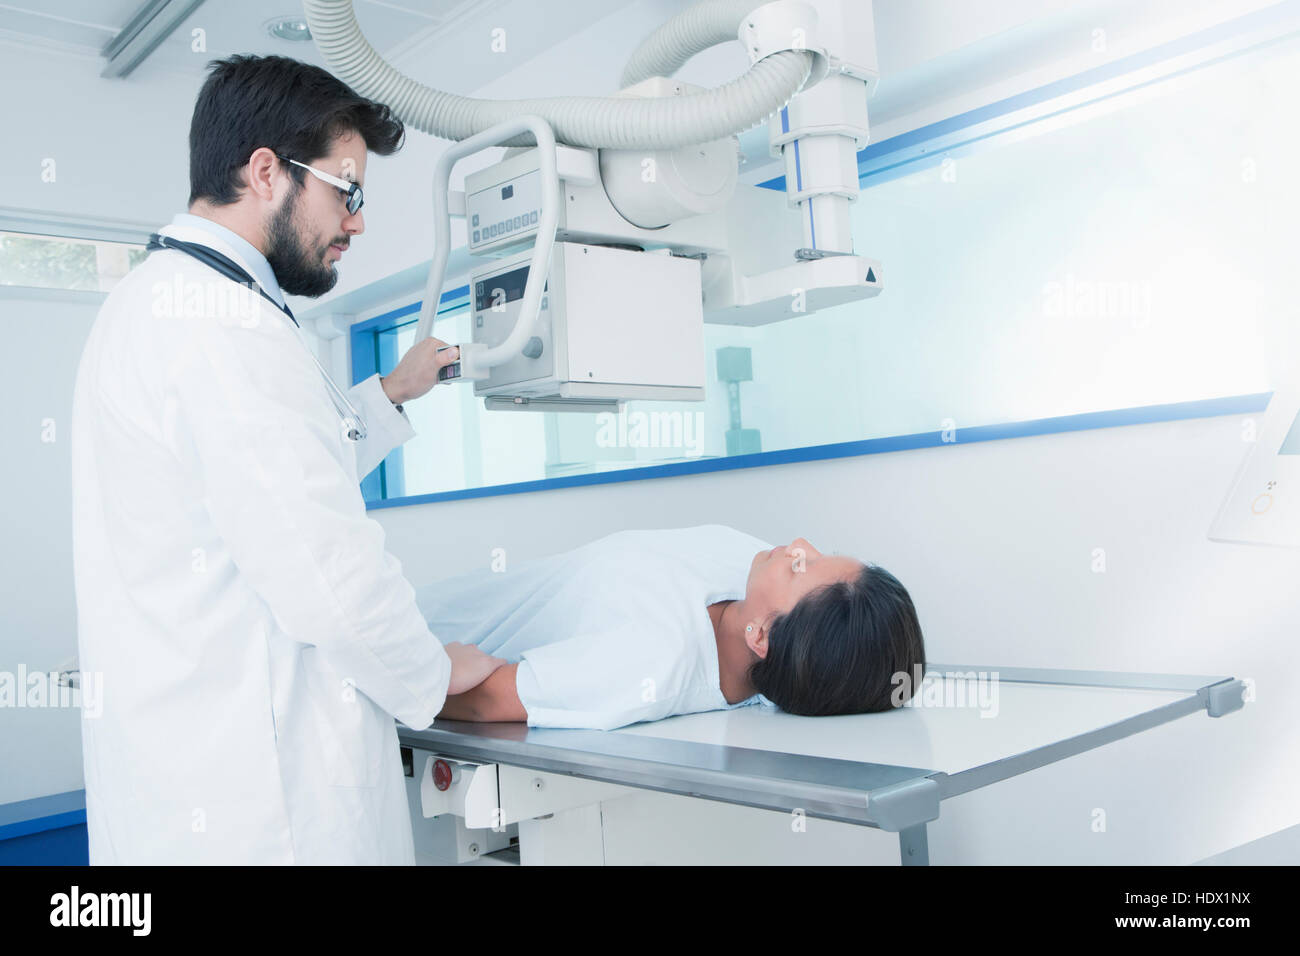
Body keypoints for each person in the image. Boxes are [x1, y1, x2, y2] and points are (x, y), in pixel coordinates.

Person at [70, 54, 504, 865]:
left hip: (184, 787)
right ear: (266, 171)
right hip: (262, 809)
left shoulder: (155, 302)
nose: (359, 222)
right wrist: (434, 671)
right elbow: (327, 574)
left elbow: (266, 480)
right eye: (349, 190)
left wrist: (391, 395)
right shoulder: (226, 328)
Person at [415, 525, 926, 731]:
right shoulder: (743, 564)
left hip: (396, 641)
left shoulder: (653, 662)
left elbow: (484, 701)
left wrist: (413, 668)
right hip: (419, 599)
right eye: (812, 554)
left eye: (801, 567)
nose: (797, 545)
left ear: (762, 638)